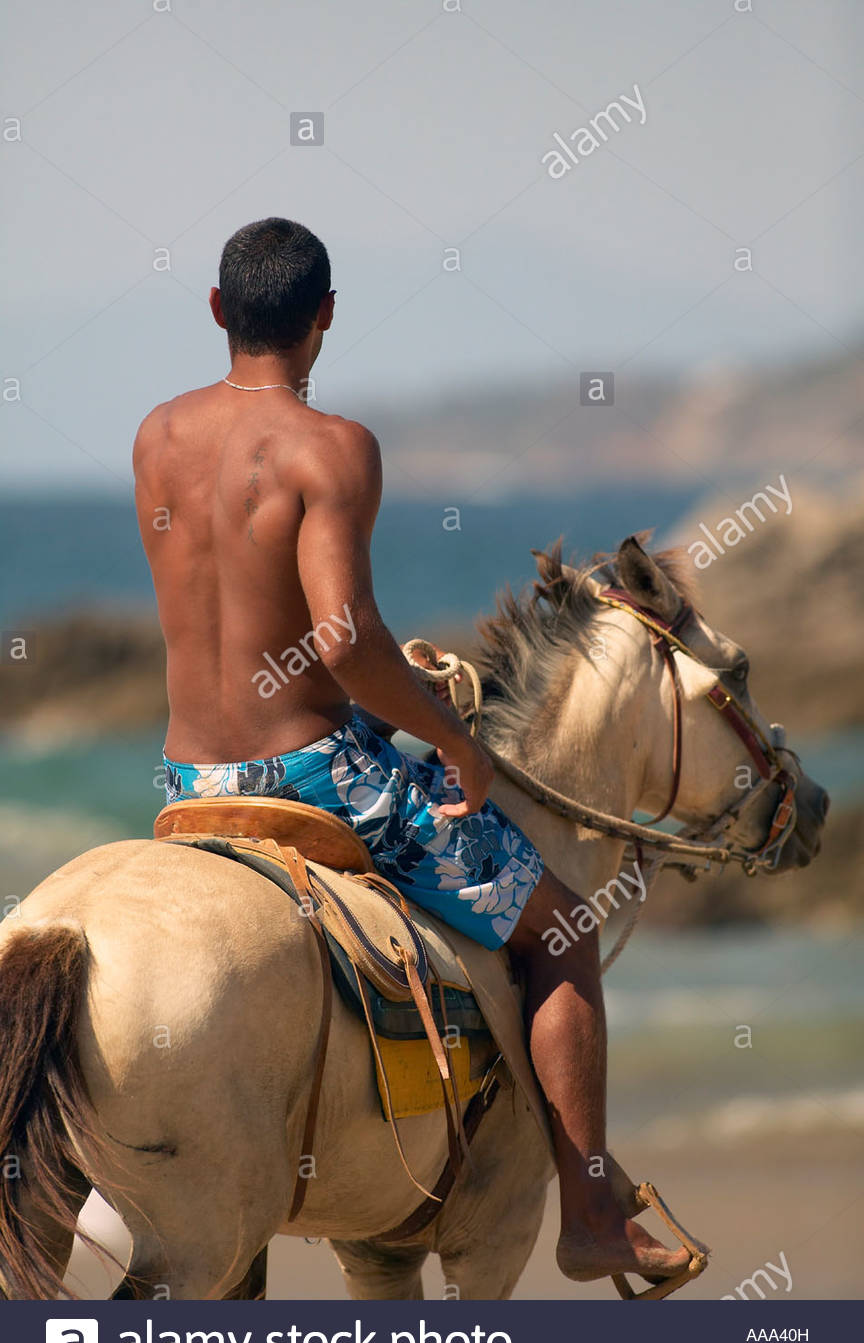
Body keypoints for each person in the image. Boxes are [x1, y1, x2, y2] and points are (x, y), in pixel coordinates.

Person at [133, 217, 690, 1285]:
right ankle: (588, 1213)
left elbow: (245, 620)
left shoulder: (156, 434)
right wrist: (448, 738)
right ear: (327, 317)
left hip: (187, 779)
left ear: (216, 311)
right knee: (565, 930)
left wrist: (388, 689)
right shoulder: (333, 447)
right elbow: (341, 641)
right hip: (310, 775)